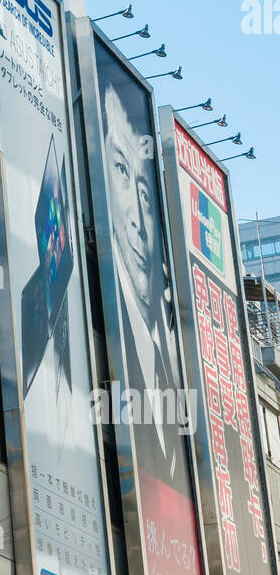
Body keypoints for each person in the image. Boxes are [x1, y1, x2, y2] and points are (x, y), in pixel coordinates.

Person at [101, 80, 189, 491]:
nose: (138, 218)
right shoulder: (94, 315)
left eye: (145, 193)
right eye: (121, 170)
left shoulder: (174, 354)